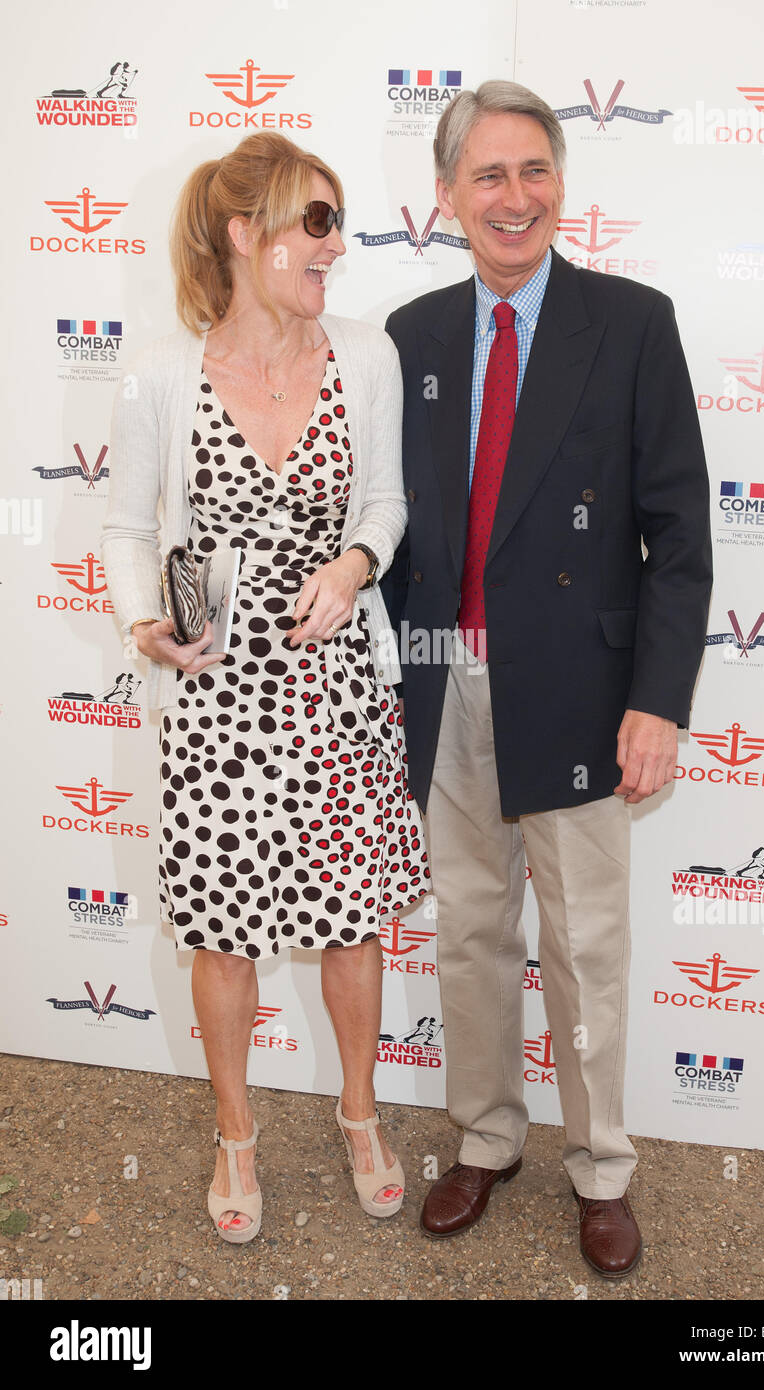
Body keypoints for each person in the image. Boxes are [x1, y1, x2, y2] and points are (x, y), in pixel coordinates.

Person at [381, 81, 712, 1277]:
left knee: (586, 944)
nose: (514, 198)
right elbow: (391, 532)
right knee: (469, 929)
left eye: (534, 172)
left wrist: (659, 698)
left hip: (583, 686)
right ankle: (483, 1138)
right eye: (489, 176)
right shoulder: (408, 338)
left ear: (562, 184)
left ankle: (603, 1166)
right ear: (447, 196)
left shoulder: (631, 323)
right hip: (446, 686)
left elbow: (677, 531)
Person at [101, 132, 429, 1244]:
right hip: (215, 695)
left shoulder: (366, 354)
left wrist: (354, 564)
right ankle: (235, 1131)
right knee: (223, 930)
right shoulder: (161, 370)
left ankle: (359, 1112)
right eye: (317, 222)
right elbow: (124, 524)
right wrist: (141, 618)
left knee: (350, 916)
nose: (335, 246)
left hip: (333, 687)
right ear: (247, 234)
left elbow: (384, 500)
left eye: (339, 222)